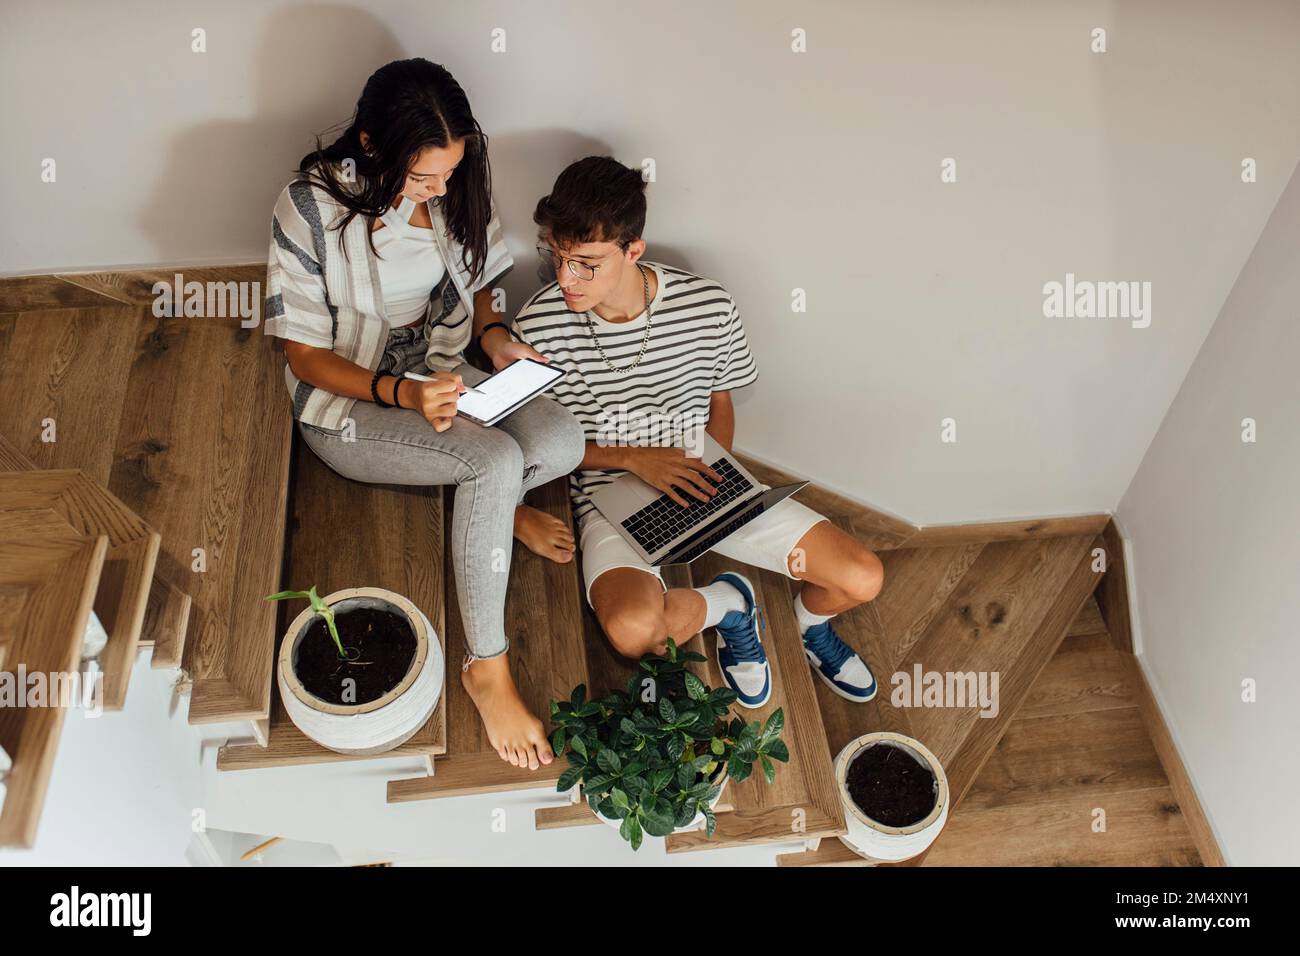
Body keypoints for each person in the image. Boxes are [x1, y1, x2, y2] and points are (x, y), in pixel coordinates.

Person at [263, 59, 585, 769]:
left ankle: (489, 506)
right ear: (373, 146)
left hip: (436, 360)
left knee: (562, 440)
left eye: (449, 175)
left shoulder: (455, 181)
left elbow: (484, 288)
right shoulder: (311, 207)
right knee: (496, 459)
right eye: (422, 179)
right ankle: (487, 666)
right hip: (350, 396)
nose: (439, 192)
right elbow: (302, 357)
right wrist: (401, 395)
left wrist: (497, 340)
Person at [513, 157, 884, 708]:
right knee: (636, 632)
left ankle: (809, 628)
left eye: (587, 263)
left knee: (861, 577)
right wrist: (634, 461)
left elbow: (721, 401)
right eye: (558, 257)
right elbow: (531, 443)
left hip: (703, 479)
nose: (566, 278)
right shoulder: (536, 325)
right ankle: (729, 605)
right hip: (606, 494)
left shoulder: (709, 305)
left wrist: (715, 467)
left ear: (632, 249)